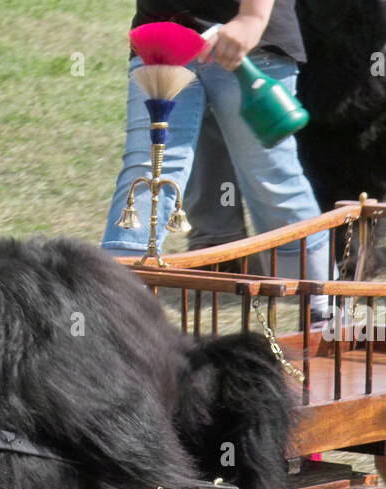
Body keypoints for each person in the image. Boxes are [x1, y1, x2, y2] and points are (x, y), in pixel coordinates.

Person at [103, 0, 328, 314]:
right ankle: (110, 310)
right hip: (162, 35)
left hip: (252, 44)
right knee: (147, 171)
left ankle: (322, 308)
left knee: (271, 177)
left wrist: (252, 17)